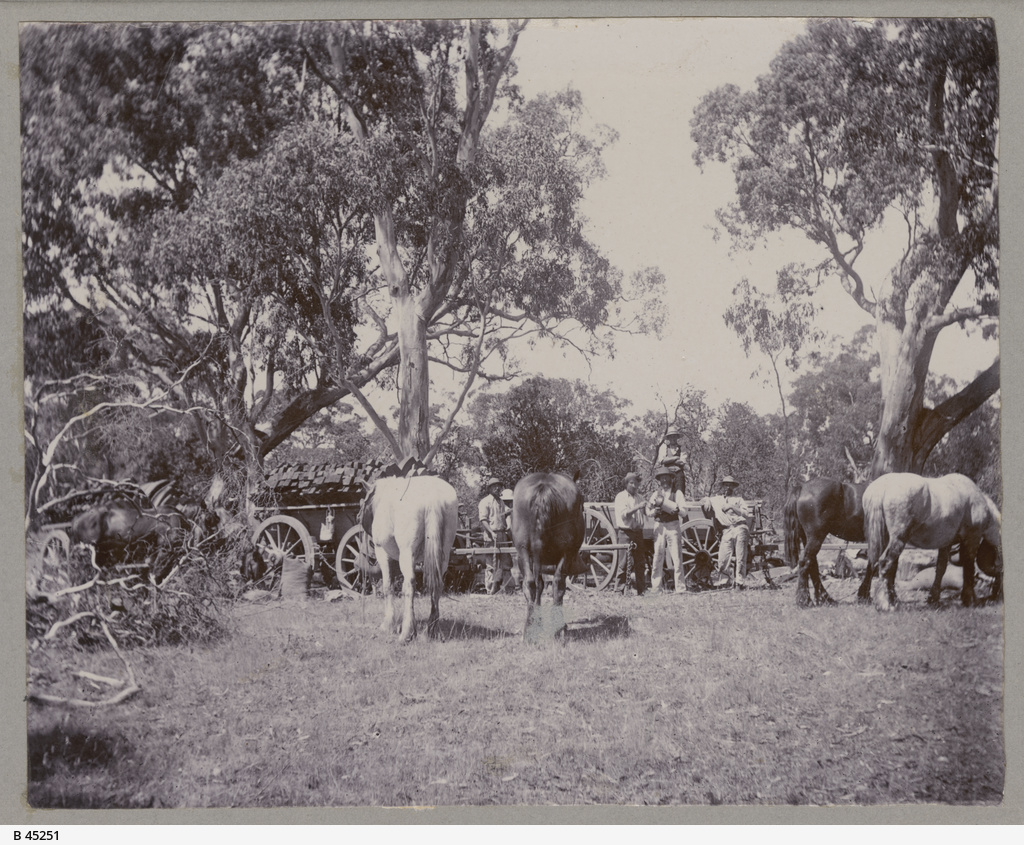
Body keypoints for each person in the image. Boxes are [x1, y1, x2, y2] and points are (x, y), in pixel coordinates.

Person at [701, 476, 753, 587]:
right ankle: (724, 581)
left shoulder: (739, 499)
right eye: (726, 484)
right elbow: (704, 500)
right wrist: (707, 500)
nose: (728, 487)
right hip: (727, 530)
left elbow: (746, 513)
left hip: (740, 527)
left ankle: (740, 582)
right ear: (722, 486)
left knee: (740, 557)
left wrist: (731, 506)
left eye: (730, 485)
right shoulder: (717, 499)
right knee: (723, 558)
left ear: (734, 487)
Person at [646, 465, 690, 594]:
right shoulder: (655, 494)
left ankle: (680, 588)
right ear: (659, 480)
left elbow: (684, 511)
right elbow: (648, 511)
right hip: (659, 526)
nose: (664, 481)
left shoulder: (677, 493)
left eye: (667, 478)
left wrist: (677, 509)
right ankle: (656, 587)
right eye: (662, 479)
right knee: (658, 556)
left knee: (676, 557)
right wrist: (654, 511)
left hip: (673, 526)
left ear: (671, 479)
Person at [477, 477, 517, 594]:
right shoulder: (485, 502)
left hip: (502, 535)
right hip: (491, 535)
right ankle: (491, 590)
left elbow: (508, 513)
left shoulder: (501, 501)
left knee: (506, 563)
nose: (497, 488)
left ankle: (509, 589)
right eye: (494, 486)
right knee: (491, 564)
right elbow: (483, 520)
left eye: (499, 486)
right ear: (489, 488)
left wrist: (509, 524)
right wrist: (491, 532)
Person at [613, 472, 647, 595]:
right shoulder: (620, 497)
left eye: (636, 483)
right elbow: (625, 514)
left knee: (640, 563)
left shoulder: (640, 497)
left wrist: (654, 507)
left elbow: (647, 512)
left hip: (638, 533)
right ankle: (618, 590)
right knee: (623, 563)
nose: (634, 485)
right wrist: (638, 507)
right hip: (625, 532)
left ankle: (641, 590)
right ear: (626, 484)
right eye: (631, 483)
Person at [655, 425, 687, 496]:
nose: (672, 438)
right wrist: (676, 458)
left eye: (674, 436)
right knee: (666, 494)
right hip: (667, 474)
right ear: (668, 438)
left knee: (680, 493)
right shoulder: (664, 447)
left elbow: (682, 462)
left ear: (677, 437)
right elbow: (662, 461)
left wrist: (669, 459)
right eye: (671, 436)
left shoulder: (682, 447)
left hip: (678, 473)